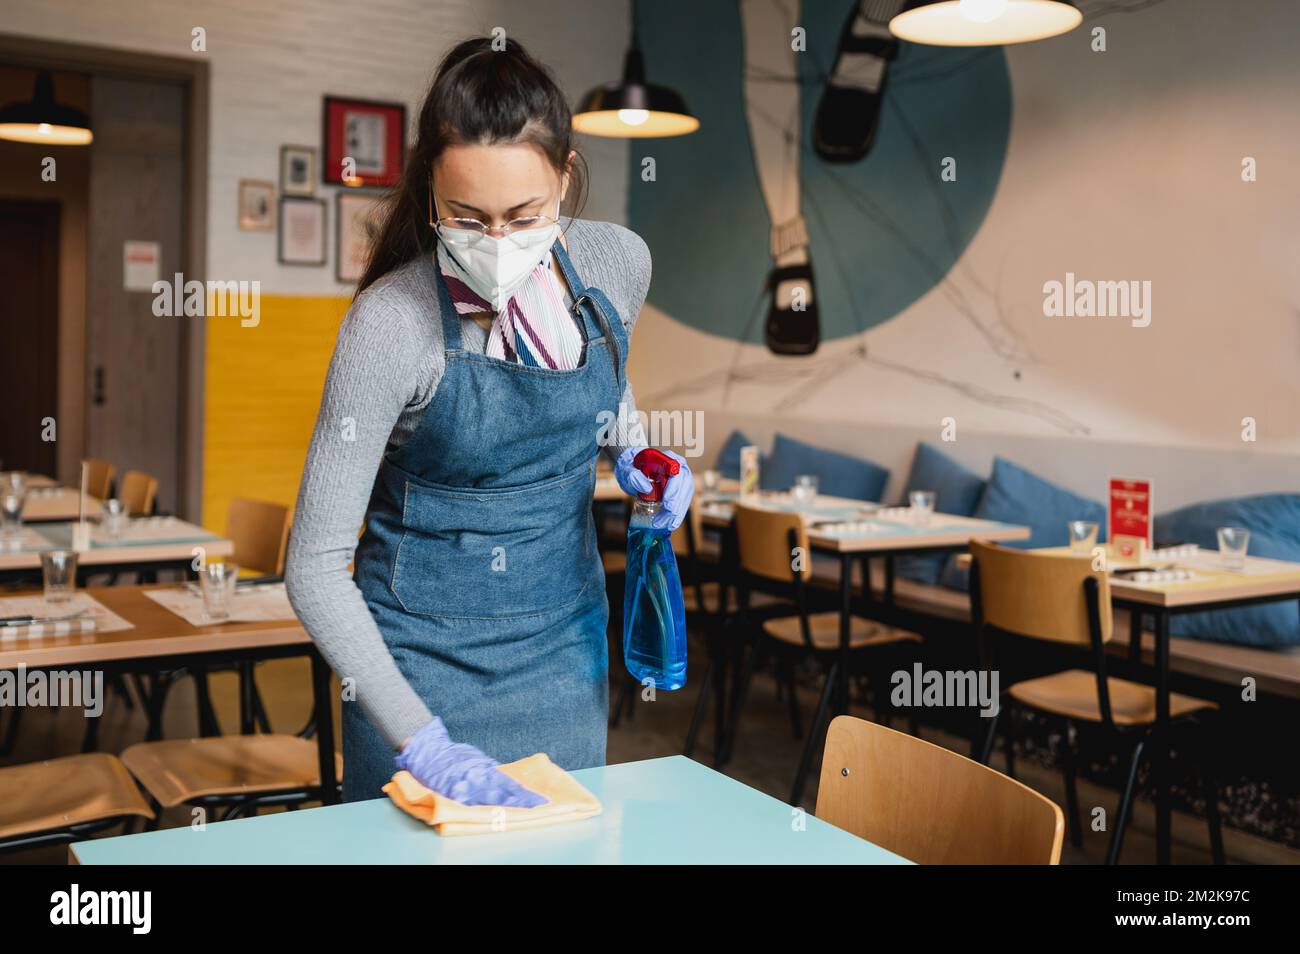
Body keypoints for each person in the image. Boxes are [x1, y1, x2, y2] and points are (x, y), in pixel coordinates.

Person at [285, 36, 694, 804]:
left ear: (566, 175)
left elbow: (609, 399)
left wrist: (641, 460)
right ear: (430, 188)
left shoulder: (616, 265)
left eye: (524, 213)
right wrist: (423, 742)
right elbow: (312, 568)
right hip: (414, 679)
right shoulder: (390, 326)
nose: (498, 244)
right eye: (467, 217)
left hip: (565, 659)